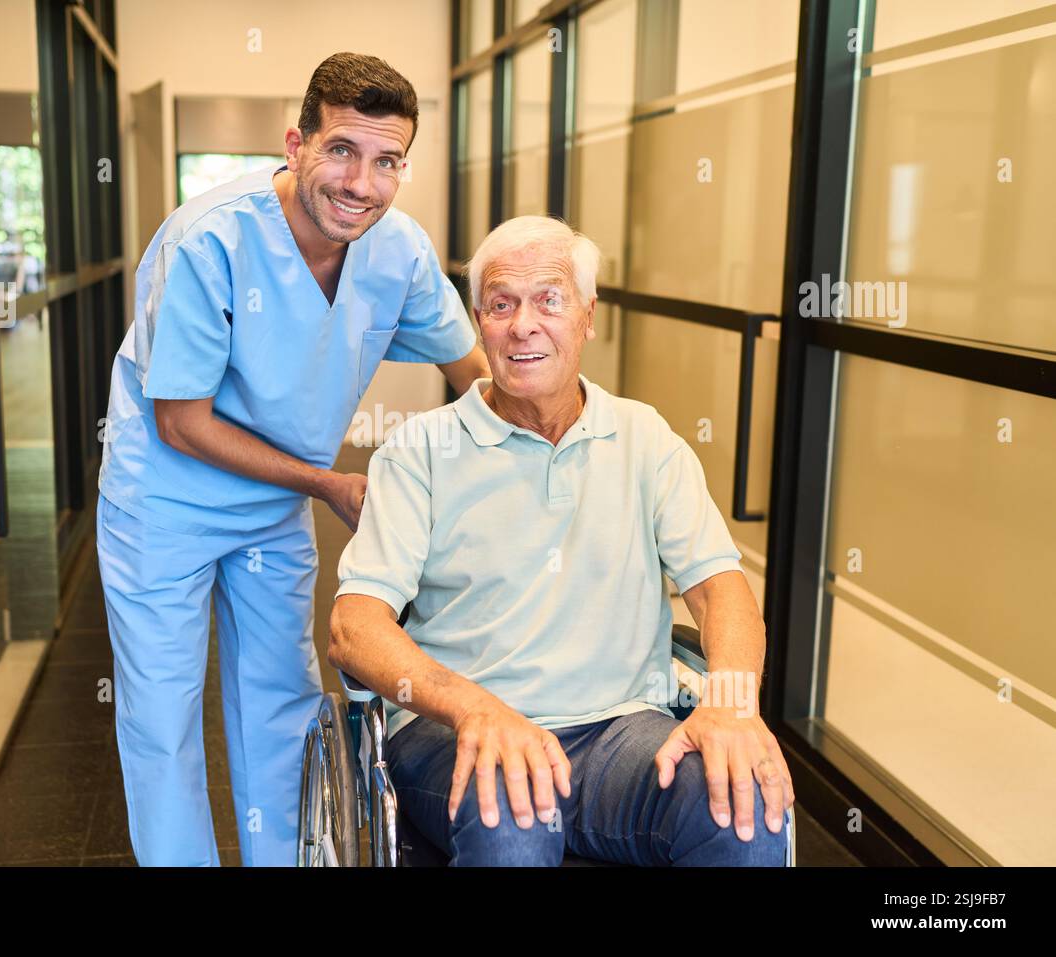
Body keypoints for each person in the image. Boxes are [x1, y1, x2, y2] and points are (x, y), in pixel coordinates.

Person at [96, 52, 490, 866]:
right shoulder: (209, 241)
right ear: (296, 143)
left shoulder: (399, 253)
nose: (361, 183)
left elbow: (474, 371)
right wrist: (327, 483)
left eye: (387, 162)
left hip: (270, 509)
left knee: (281, 704)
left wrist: (541, 450)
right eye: (341, 149)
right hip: (164, 500)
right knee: (162, 718)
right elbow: (181, 423)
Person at [330, 216, 793, 866]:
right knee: (515, 817)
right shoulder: (420, 451)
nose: (523, 324)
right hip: (461, 731)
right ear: (479, 321)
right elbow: (355, 625)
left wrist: (732, 704)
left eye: (549, 298)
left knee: (739, 803)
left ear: (587, 315)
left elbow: (721, 591)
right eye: (501, 303)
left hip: (623, 733)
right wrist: (472, 708)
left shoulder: (645, 438)